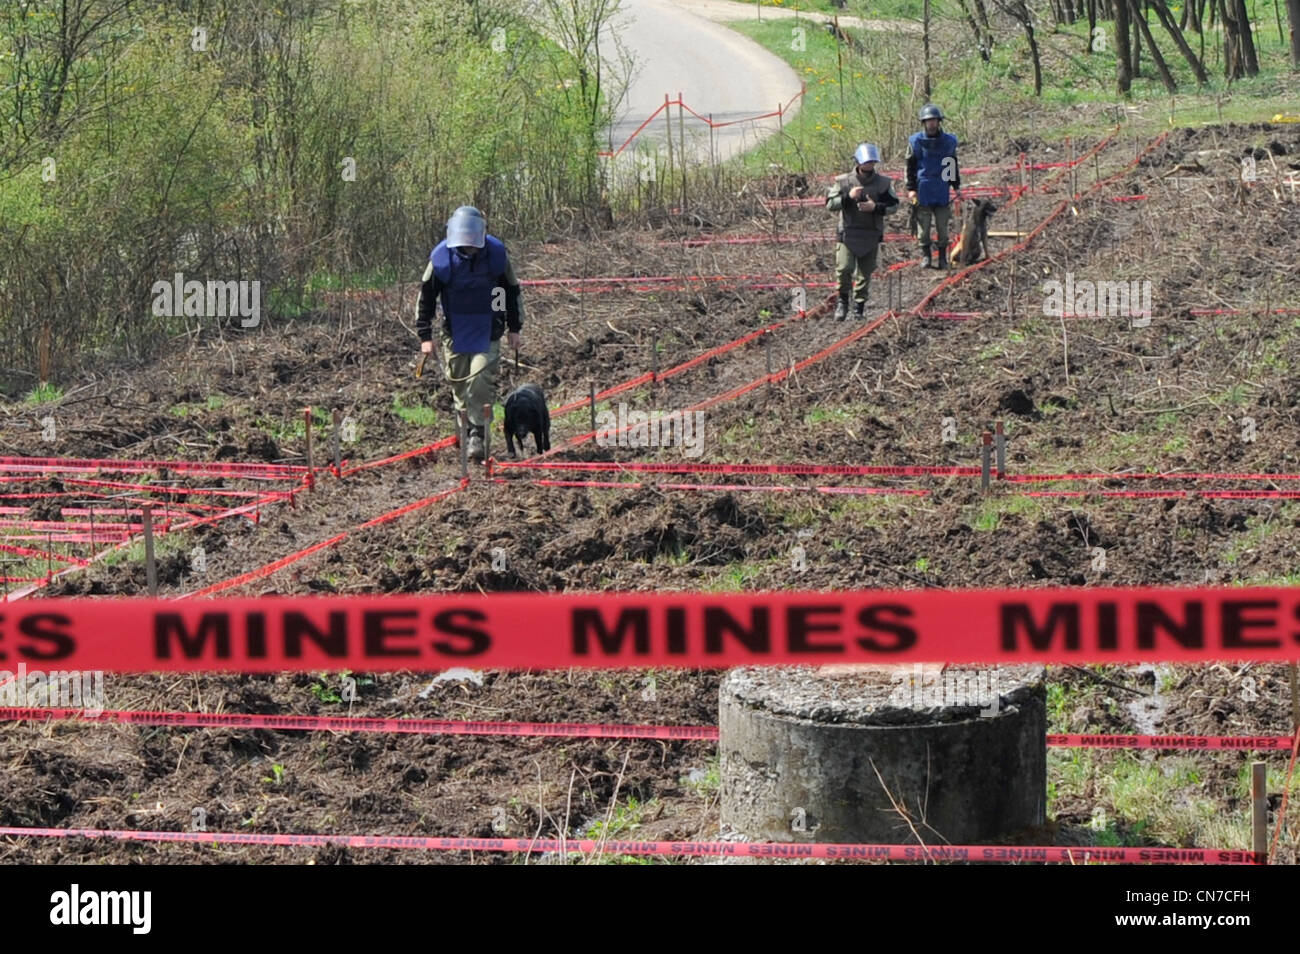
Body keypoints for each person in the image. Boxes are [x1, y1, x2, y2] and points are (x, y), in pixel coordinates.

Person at [416, 206, 523, 463]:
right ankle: (465, 429)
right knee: (460, 386)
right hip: (456, 331)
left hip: (488, 330)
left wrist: (514, 327)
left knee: (479, 380)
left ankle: (478, 434)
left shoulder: (496, 256)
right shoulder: (442, 259)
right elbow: (426, 297)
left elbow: (510, 291)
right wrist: (425, 337)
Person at [826, 142, 899, 320]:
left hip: (870, 234)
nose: (869, 165)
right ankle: (842, 303)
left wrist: (876, 207)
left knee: (865, 273)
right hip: (848, 234)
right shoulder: (842, 182)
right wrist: (848, 197)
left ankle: (859, 306)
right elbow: (830, 205)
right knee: (844, 269)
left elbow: (894, 206)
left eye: (872, 162)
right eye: (867, 162)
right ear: (858, 161)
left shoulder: (883, 183)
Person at [906, 104, 962, 270]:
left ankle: (943, 257)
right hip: (923, 188)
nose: (931, 124)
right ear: (924, 123)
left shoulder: (948, 142)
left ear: (939, 122)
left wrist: (955, 186)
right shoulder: (915, 142)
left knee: (942, 228)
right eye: (928, 121)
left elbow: (951, 164)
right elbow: (910, 166)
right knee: (923, 230)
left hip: (941, 188)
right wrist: (911, 188)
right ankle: (926, 256)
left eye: (934, 120)